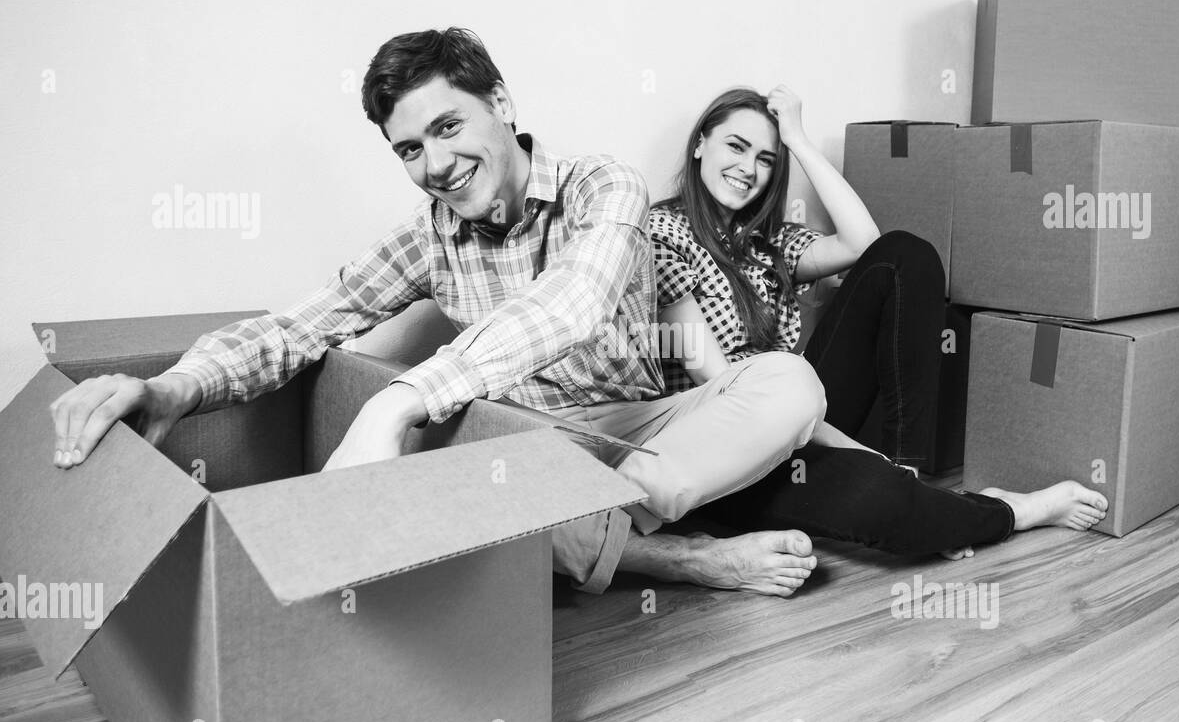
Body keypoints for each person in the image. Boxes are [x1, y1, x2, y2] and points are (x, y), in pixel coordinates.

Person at [47, 31, 828, 597]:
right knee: (462, 470)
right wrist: (174, 388)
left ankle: (619, 524)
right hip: (524, 450)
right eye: (410, 150)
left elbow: (577, 300)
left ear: (500, 104)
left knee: (791, 382)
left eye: (448, 128)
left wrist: (402, 397)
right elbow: (302, 325)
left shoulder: (603, 186)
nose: (437, 166)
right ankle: (685, 560)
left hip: (644, 427)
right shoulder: (426, 239)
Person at [649, 85, 1108, 584]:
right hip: (731, 453)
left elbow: (865, 244)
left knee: (905, 254)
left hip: (801, 414)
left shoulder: (768, 242)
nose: (748, 168)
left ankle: (909, 470)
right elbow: (734, 401)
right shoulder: (663, 234)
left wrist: (799, 141)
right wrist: (864, 459)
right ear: (700, 144)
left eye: (765, 158)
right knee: (877, 500)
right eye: (735, 146)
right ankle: (1009, 511)